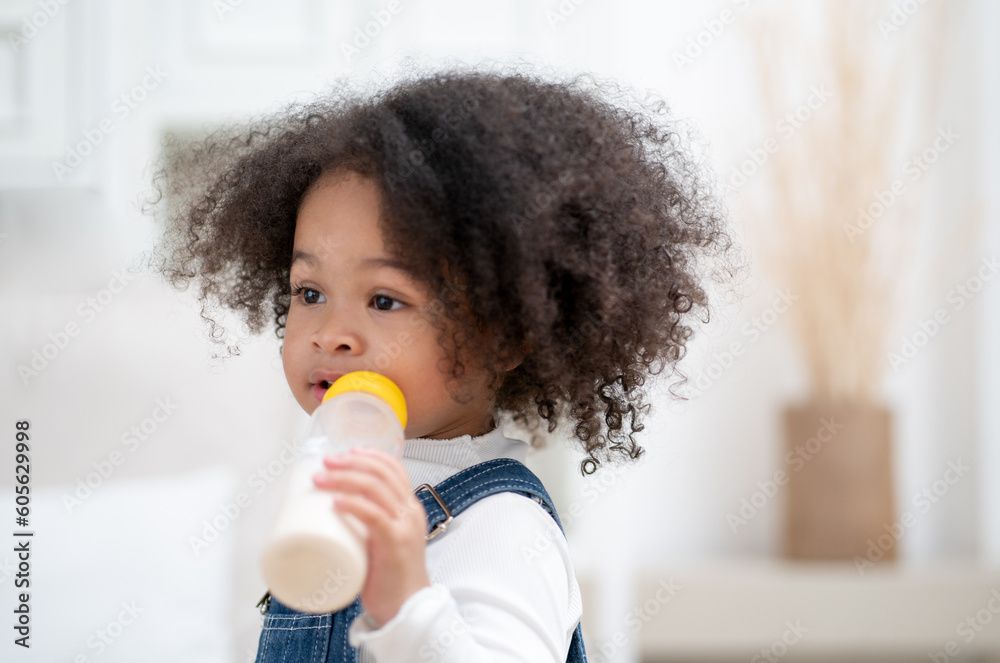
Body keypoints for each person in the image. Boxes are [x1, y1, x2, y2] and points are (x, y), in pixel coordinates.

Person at [143, 63, 745, 663]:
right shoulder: (327, 493)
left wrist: (408, 607)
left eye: (384, 300)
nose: (331, 335)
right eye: (309, 293)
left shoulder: (503, 531)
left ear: (505, 335)